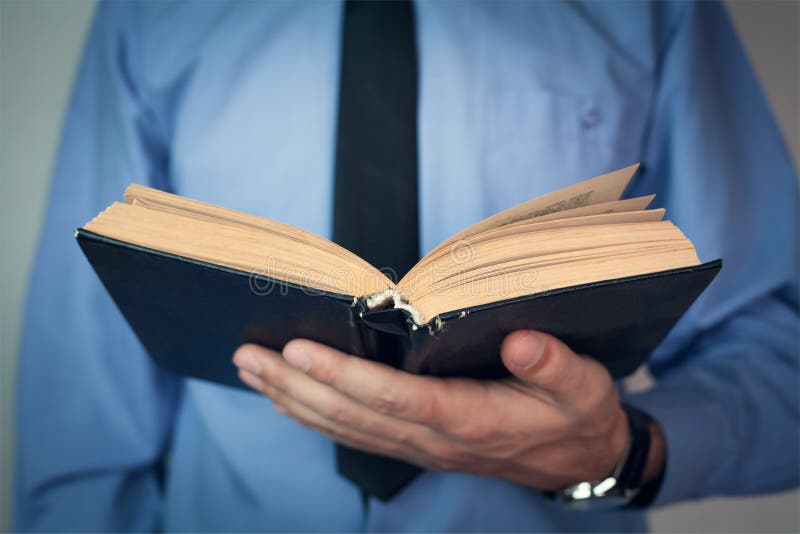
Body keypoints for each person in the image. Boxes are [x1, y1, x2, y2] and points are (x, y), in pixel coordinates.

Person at [14, 0, 798, 531]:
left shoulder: (654, 11)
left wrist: (620, 456)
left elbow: (779, 356)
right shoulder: (150, 14)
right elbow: (81, 381)